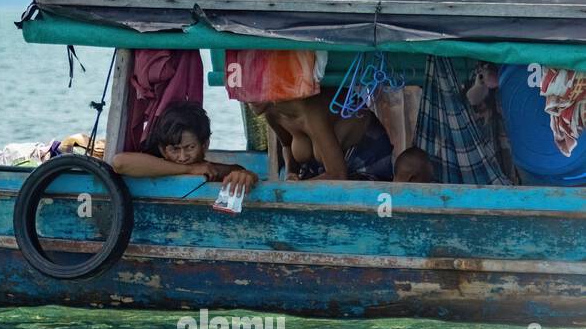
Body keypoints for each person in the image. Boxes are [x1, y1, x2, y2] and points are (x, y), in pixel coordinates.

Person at [252, 88, 433, 182]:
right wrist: (291, 173)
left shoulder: (310, 110)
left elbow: (338, 175)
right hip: (322, 173)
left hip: (365, 162)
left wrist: (298, 187)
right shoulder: (272, 114)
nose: (245, 97)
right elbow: (286, 147)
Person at [111, 101, 259, 193]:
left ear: (205, 144)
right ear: (163, 149)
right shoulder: (150, 164)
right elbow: (120, 163)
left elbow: (239, 171)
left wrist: (245, 176)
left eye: (190, 147)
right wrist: (190, 169)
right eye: (174, 149)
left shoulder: (210, 169)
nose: (183, 157)